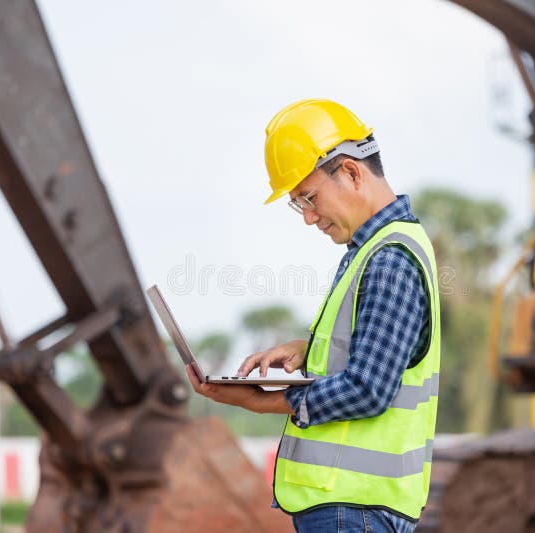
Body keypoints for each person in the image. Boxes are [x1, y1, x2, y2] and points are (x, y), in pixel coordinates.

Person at [186, 99, 441, 532]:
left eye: (309, 197)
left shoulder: (388, 259)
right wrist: (308, 350)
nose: (307, 217)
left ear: (352, 172)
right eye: (298, 204)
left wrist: (265, 401)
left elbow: (368, 388)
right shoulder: (373, 253)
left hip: (355, 509)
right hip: (354, 508)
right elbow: (376, 355)